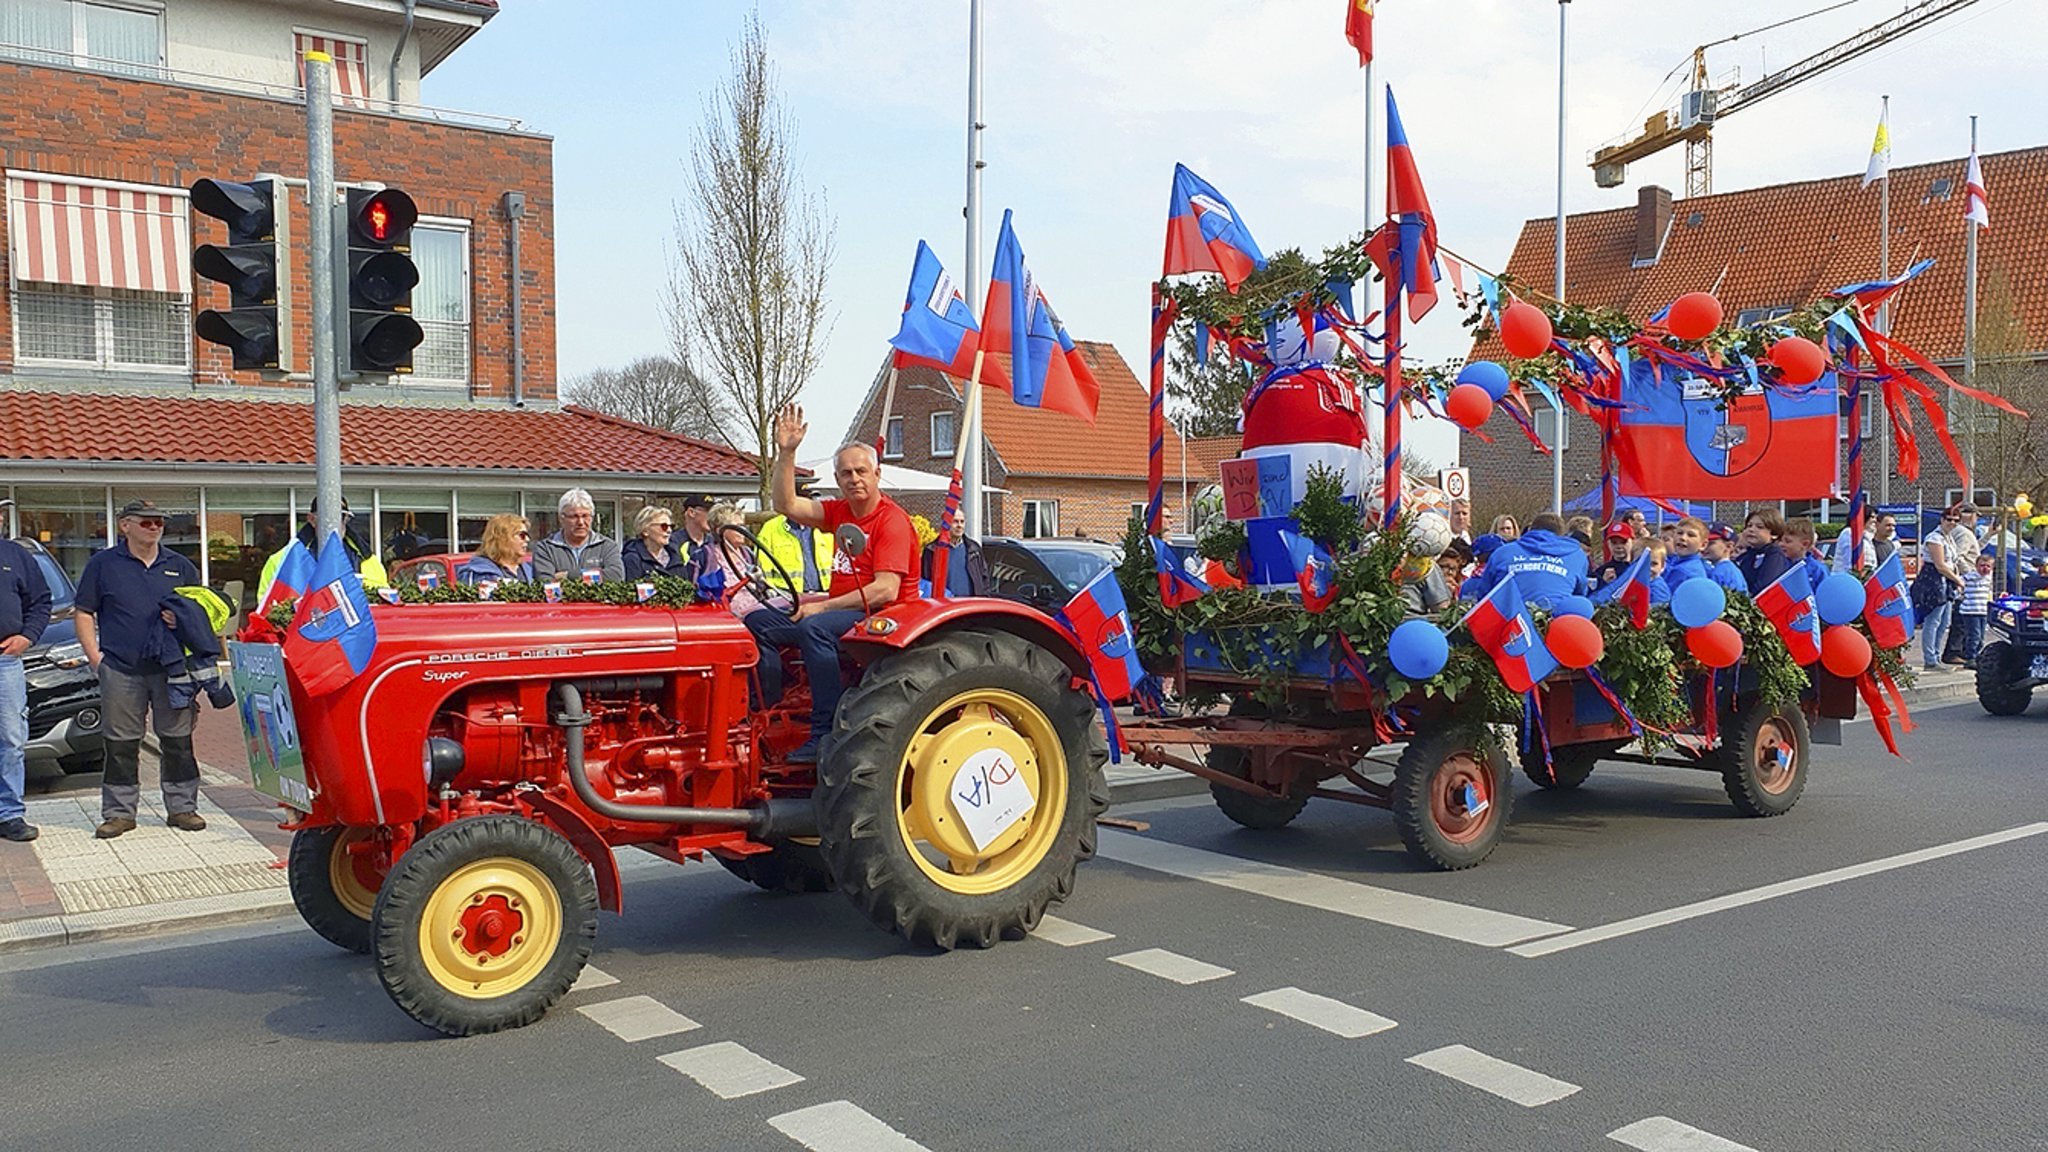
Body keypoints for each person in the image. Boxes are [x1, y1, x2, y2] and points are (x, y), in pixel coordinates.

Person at [750, 403, 922, 763]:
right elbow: (786, 504)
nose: (854, 479)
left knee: (814, 627)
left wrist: (821, 606)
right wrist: (787, 452)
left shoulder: (890, 521)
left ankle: (823, 730)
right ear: (838, 479)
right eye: (846, 473)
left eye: (861, 471)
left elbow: (885, 589)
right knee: (758, 622)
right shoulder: (840, 512)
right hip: (846, 611)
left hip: (884, 617)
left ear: (877, 474)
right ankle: (765, 710)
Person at [73, 499, 209, 838]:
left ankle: (182, 808)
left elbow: (202, 615)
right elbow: (84, 611)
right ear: (125, 526)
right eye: (146, 522)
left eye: (159, 522)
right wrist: (95, 657)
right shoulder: (103, 565)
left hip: (172, 670)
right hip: (120, 668)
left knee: (178, 740)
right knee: (120, 744)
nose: (155, 527)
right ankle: (119, 814)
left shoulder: (180, 566)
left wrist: (183, 621)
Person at [0, 510, 51, 843]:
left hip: (5, 662)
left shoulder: (16, 555)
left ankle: (9, 814)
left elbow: (41, 601)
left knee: (11, 740)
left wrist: (27, 636)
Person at [255, 496, 388, 604]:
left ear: (346, 519)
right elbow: (268, 609)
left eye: (340, 517)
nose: (334, 524)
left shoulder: (368, 561)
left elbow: (383, 604)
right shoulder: (281, 562)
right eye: (327, 518)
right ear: (312, 520)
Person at [1459, 512, 1587, 611]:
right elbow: (1580, 595)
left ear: (1530, 529)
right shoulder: (1577, 555)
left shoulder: (1503, 552)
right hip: (1556, 624)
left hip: (1511, 627)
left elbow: (1484, 596)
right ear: (1561, 535)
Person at [756, 481, 835, 600]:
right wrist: (770, 591)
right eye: (803, 500)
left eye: (810, 500)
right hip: (786, 596)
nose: (809, 504)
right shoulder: (771, 529)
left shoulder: (824, 527)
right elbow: (762, 566)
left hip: (824, 594)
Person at [530, 489, 624, 583]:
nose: (581, 522)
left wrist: (569, 576)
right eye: (574, 516)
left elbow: (616, 576)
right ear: (561, 519)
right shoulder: (546, 548)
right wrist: (597, 575)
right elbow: (546, 582)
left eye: (585, 516)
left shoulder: (607, 546)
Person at [1912, 520, 1963, 671]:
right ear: (1942, 520)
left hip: (1946, 583)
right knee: (1933, 620)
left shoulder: (1949, 538)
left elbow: (1952, 562)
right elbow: (1940, 565)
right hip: (1934, 582)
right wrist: (1958, 580)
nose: (1952, 523)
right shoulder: (1934, 538)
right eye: (1949, 519)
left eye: (1955, 520)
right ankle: (1930, 659)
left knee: (1944, 621)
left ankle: (1936, 655)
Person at [458, 515, 535, 584]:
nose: (527, 539)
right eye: (522, 535)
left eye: (527, 535)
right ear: (502, 538)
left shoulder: (531, 568)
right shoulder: (478, 571)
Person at [622, 506, 690, 581]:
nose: (669, 530)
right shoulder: (632, 559)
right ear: (645, 531)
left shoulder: (676, 557)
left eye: (671, 526)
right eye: (664, 526)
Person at [1735, 508, 1793, 594]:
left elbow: (1765, 586)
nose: (1751, 530)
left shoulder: (1775, 555)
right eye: (1749, 526)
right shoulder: (1747, 555)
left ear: (1774, 534)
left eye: (1760, 527)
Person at [1953, 554, 1994, 666]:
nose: (1985, 568)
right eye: (1982, 565)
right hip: (1970, 611)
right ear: (1976, 566)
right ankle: (1970, 657)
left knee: (1981, 637)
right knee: (1973, 635)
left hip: (1982, 611)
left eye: (1988, 566)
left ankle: (1977, 656)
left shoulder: (1988, 579)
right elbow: (1958, 583)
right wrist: (1959, 592)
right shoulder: (1969, 577)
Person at [1777, 518, 1829, 588]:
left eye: (1788, 541)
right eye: (1780, 540)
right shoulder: (1778, 566)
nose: (1781, 544)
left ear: (1805, 544)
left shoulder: (1817, 570)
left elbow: (1823, 593)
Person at [1701, 522, 1748, 591]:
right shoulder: (1718, 568)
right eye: (1703, 542)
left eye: (1710, 543)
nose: (1704, 546)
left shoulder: (1726, 572)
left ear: (1729, 546)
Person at [677, 494, 715, 576]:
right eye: (708, 512)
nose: (712, 517)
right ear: (691, 512)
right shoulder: (674, 542)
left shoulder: (714, 542)